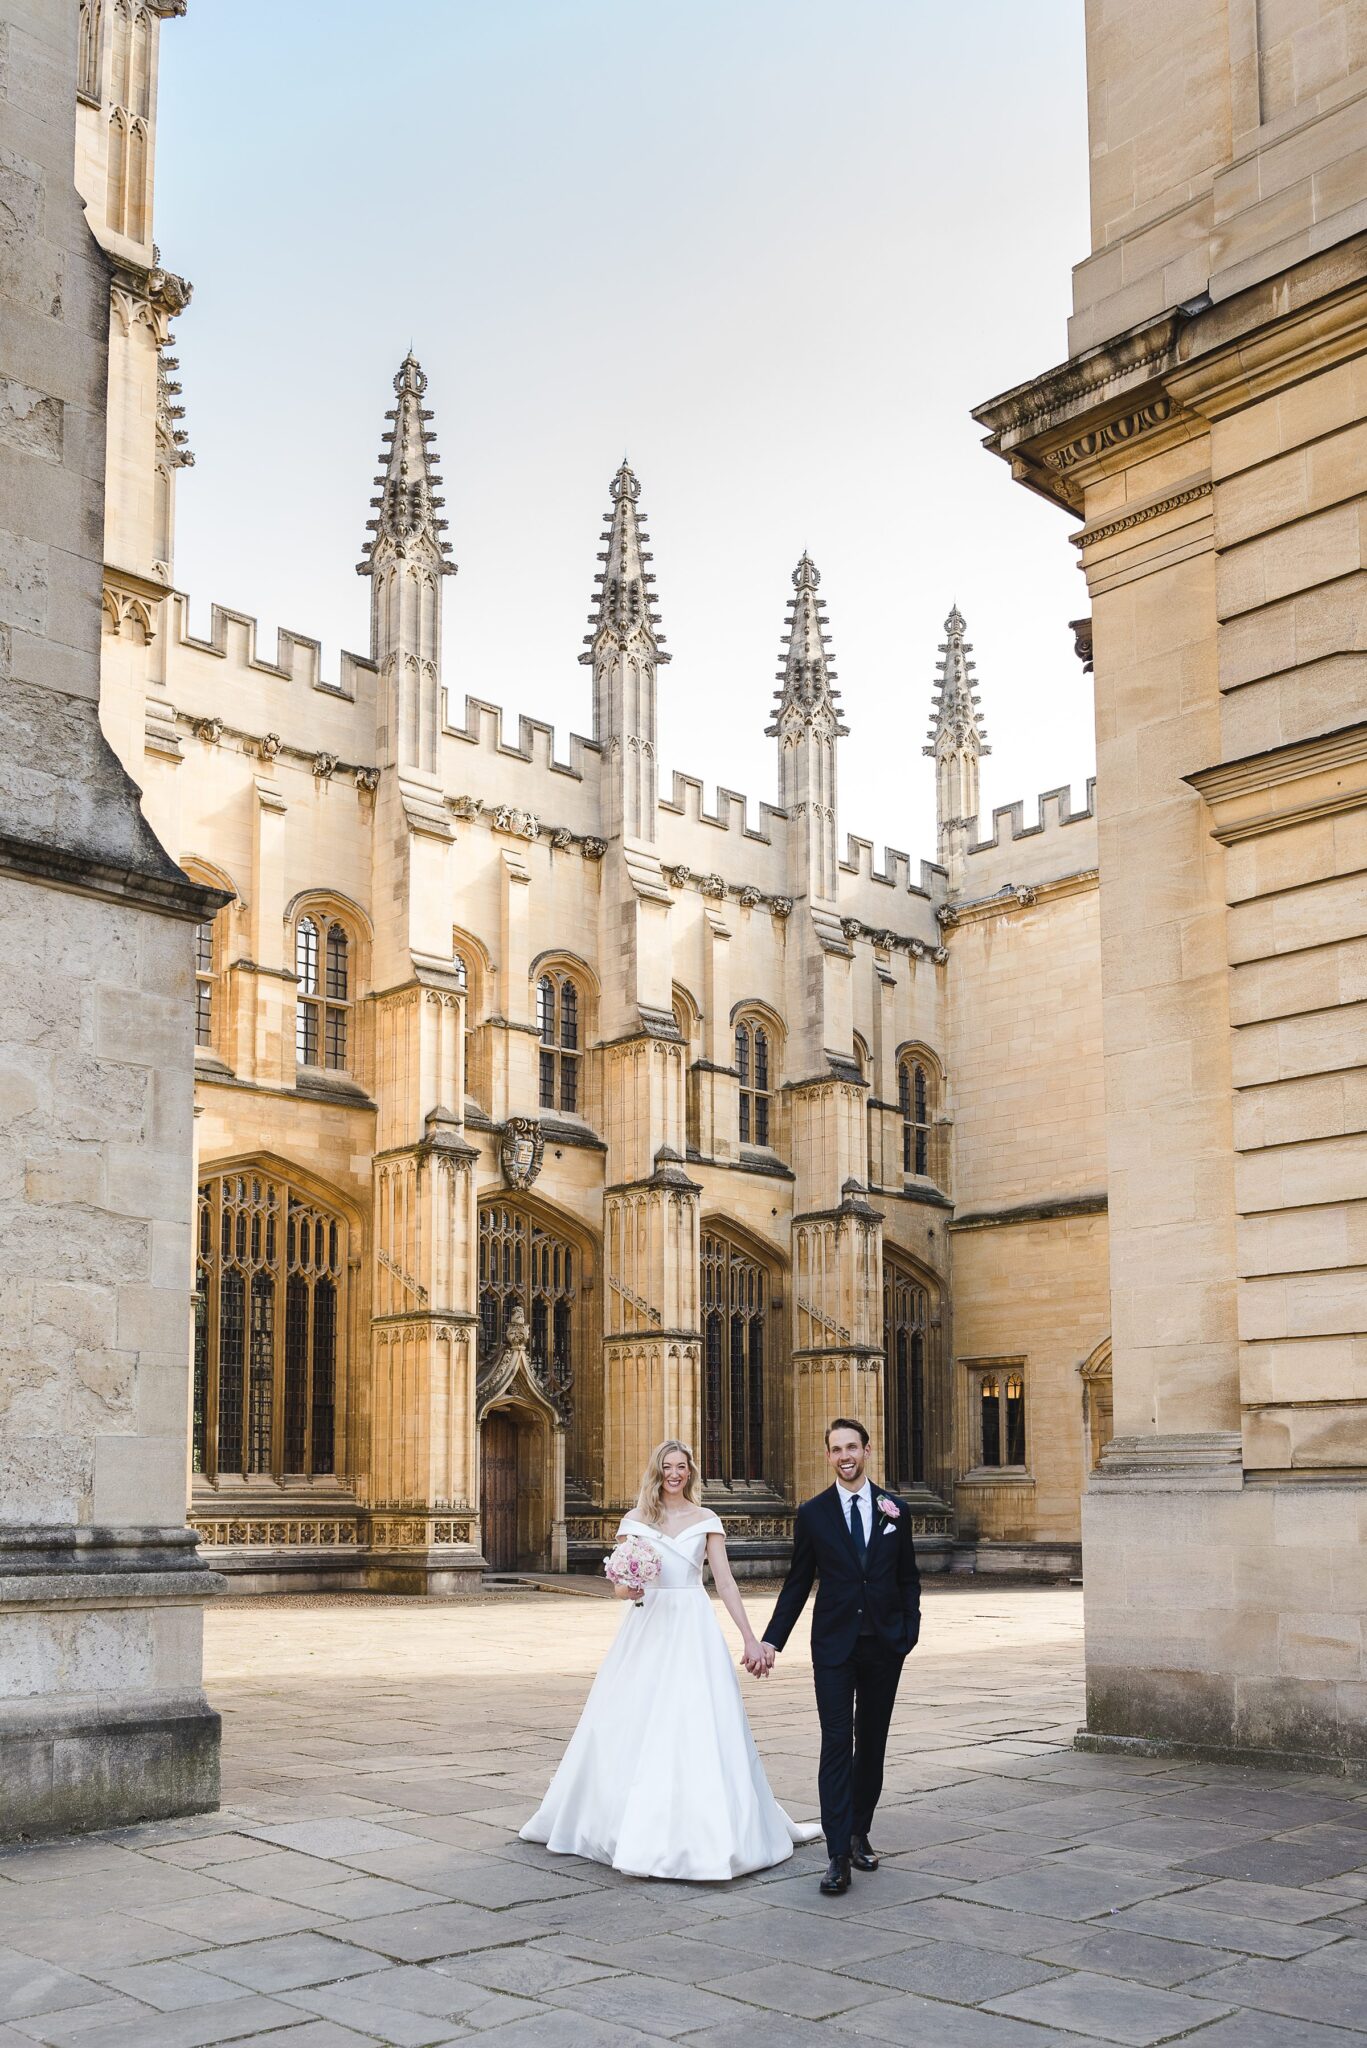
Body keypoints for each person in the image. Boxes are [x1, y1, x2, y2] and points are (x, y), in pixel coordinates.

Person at [521, 1439, 821, 1881]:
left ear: (691, 1473)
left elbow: (725, 1583)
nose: (675, 1474)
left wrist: (750, 1638)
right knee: (632, 1719)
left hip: (693, 1626)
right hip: (648, 1627)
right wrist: (631, 1588)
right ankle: (623, 1824)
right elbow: (620, 1587)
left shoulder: (706, 1520)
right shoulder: (634, 1522)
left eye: (682, 1467)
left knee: (696, 1720)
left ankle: (705, 1829)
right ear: (657, 1472)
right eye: (667, 1467)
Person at [755, 1417, 921, 1897]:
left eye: (852, 1446)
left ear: (867, 1450)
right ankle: (836, 1856)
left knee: (871, 1742)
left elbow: (908, 1577)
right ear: (827, 1456)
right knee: (835, 1742)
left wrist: (908, 1631)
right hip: (832, 1647)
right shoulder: (813, 1513)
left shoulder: (896, 1509)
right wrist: (772, 1641)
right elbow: (797, 1583)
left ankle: (859, 1831)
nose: (845, 1455)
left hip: (884, 1645)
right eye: (836, 1449)